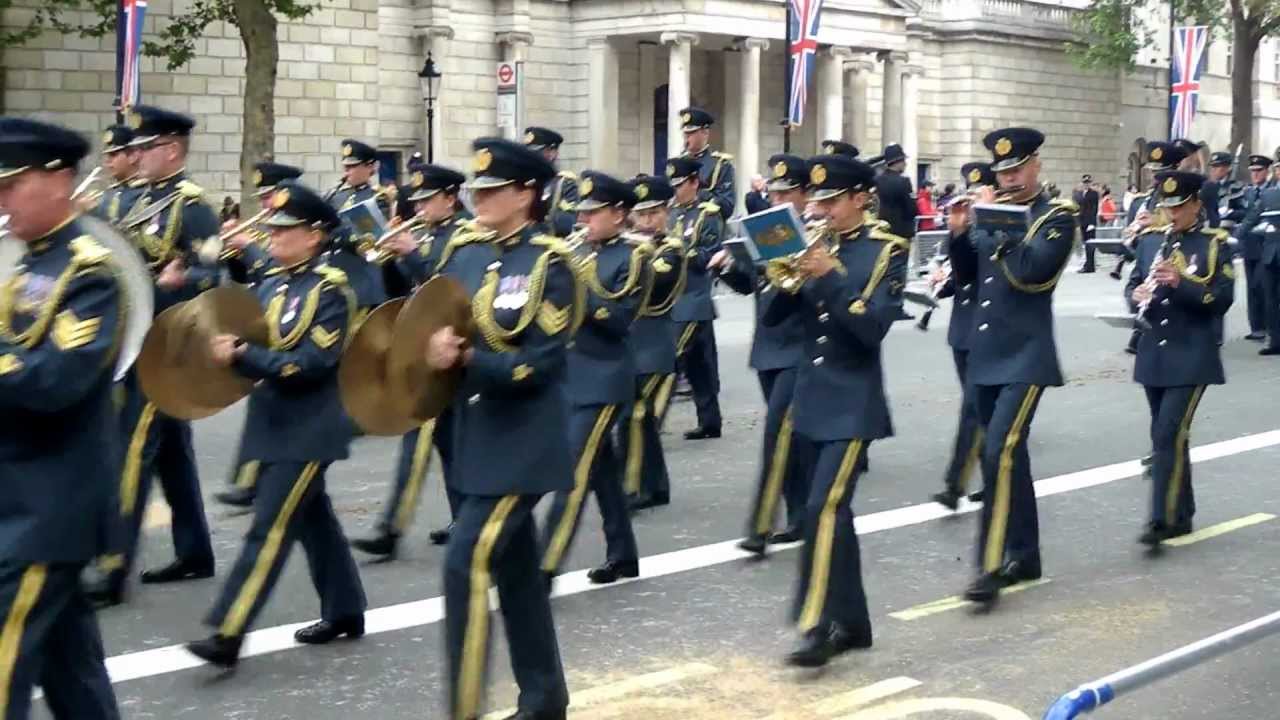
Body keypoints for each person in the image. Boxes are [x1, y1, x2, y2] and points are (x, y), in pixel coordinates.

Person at [425, 138, 580, 720]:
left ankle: (464, 707)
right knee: (516, 577)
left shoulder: (550, 263)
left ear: (526, 195)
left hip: (523, 440)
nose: (478, 199)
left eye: (492, 191)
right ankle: (544, 700)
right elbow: (432, 314)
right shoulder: (465, 252)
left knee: (463, 564)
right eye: (477, 190)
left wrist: (469, 361)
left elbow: (542, 362)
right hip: (472, 433)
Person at [185, 181, 368, 667]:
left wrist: (246, 356)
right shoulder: (273, 282)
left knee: (268, 528)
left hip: (311, 427)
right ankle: (346, 609)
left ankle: (229, 631)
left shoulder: (331, 290)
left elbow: (312, 361)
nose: (272, 234)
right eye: (272, 227)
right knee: (315, 522)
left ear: (313, 235)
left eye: (284, 229)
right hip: (274, 422)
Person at [760, 153, 907, 667]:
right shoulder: (817, 245)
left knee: (821, 506)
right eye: (817, 201)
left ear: (861, 198)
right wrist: (780, 269)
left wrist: (827, 276)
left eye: (831, 200)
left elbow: (870, 329)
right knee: (832, 513)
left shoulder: (887, 250)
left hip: (853, 401)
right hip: (812, 396)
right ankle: (855, 623)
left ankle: (816, 624)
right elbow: (775, 318)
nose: (821, 210)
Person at [0, 116, 123, 720]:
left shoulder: (91, 272)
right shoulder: (29, 264)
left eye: (10, 184)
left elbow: (56, 382)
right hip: (23, 495)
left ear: (57, 179)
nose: (0, 199)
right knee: (72, 672)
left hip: (47, 507)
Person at [86, 105, 218, 608]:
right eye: (132, 150)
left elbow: (214, 279)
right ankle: (194, 551)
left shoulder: (192, 205)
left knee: (131, 449)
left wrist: (181, 280)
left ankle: (113, 566)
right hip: (127, 339)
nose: (134, 157)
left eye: (143, 149)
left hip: (164, 345)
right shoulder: (123, 201)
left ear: (172, 150)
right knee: (171, 452)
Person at [947, 127, 1078, 608]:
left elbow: (1031, 274)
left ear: (1036, 165)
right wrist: (961, 232)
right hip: (986, 351)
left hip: (1026, 353)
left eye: (1017, 169)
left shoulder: (1057, 217)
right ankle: (1026, 554)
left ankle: (992, 562)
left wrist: (995, 224)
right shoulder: (991, 217)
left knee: (998, 451)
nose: (1009, 177)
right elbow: (967, 276)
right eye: (1002, 172)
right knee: (1006, 454)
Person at [350, 163, 473, 558]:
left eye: (427, 200)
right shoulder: (431, 233)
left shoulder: (465, 236)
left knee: (416, 437)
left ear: (450, 199)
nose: (419, 208)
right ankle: (466, 519)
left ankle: (391, 527)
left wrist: (414, 256)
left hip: (448, 348)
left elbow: (449, 291)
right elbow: (405, 290)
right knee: (451, 444)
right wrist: (391, 257)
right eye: (416, 200)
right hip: (423, 346)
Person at [539, 171, 645, 587]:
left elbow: (619, 320)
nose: (583, 222)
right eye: (581, 213)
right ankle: (623, 555)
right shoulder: (576, 250)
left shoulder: (633, 257)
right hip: (570, 374)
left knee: (572, 471)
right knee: (601, 474)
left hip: (604, 378)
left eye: (593, 213)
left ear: (619, 214)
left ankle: (544, 565)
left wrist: (577, 284)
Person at [1125, 171, 1233, 547]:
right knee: (1170, 434)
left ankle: (1161, 519)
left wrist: (1181, 282)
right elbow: (1132, 283)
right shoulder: (1151, 242)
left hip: (1192, 354)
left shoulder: (1215, 244)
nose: (1172, 214)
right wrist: (1136, 295)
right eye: (1167, 207)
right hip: (1154, 351)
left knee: (1167, 432)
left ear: (1196, 205)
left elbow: (1221, 300)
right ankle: (1182, 512)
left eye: (1180, 207)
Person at [715, 154, 812, 555]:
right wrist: (728, 266)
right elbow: (753, 285)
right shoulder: (769, 230)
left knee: (778, 433)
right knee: (790, 438)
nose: (779, 198)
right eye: (775, 192)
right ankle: (801, 513)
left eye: (788, 192)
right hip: (769, 345)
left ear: (805, 195)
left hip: (801, 346)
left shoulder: (816, 233)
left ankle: (761, 526)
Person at [214, 160, 306, 509]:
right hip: (271, 309)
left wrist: (248, 247)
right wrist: (235, 254)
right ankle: (252, 480)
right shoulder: (274, 226)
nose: (265, 204)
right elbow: (252, 277)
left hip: (297, 315)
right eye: (264, 196)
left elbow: (279, 269)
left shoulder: (299, 223)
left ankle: (259, 482)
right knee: (266, 398)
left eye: (269, 195)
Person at [618, 175, 685, 516]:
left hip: (656, 348)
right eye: (641, 214)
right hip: (629, 346)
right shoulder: (624, 247)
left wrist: (629, 246)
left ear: (666, 213)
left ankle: (632, 488)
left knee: (636, 419)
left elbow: (654, 280)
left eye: (654, 213)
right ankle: (657, 487)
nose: (646, 221)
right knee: (640, 423)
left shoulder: (671, 250)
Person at [931, 161, 995, 511]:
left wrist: (980, 221)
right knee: (980, 410)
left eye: (977, 194)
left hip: (987, 328)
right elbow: (964, 272)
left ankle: (955, 484)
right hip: (963, 328)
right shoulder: (964, 227)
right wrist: (943, 282)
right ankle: (992, 477)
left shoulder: (997, 225)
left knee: (975, 408)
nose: (968, 204)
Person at [664, 156, 724, 441]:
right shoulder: (671, 212)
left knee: (672, 360)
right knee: (699, 363)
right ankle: (710, 421)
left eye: (680, 185)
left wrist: (678, 250)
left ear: (694, 183)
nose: (675, 191)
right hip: (674, 299)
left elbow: (709, 255)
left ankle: (653, 418)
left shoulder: (707, 214)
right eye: (673, 185)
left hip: (694, 297)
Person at [325, 138, 389, 312]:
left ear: (370, 167)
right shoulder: (335, 195)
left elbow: (366, 237)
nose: (347, 171)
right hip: (334, 278)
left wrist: (331, 228)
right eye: (346, 167)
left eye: (353, 166)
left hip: (361, 281)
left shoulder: (378, 198)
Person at [1237, 155, 1274, 341]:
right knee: (1252, 288)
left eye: (1259, 171)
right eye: (1252, 171)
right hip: (1249, 246)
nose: (1255, 175)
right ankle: (1256, 327)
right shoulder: (1248, 192)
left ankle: (1268, 326)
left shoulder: (1273, 190)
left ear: (1267, 172)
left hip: (1266, 246)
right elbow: (1243, 214)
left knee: (1264, 287)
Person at [679, 107, 736, 220]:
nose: (687, 137)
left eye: (691, 133)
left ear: (705, 133)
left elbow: (727, 206)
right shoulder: (678, 164)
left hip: (706, 226)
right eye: (685, 133)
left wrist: (697, 194)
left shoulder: (720, 165)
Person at [523, 126, 578, 238]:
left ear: (552, 153)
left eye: (536, 153)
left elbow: (566, 224)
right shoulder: (522, 181)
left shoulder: (563, 183)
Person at [89, 125, 145, 224]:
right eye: (106, 156)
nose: (107, 162)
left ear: (133, 156)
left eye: (113, 155)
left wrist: (93, 212)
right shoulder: (112, 191)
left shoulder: (145, 192)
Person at [874, 143, 916, 240]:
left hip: (882, 230)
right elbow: (911, 209)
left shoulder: (877, 180)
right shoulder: (904, 181)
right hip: (901, 232)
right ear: (898, 162)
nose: (905, 164)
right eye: (904, 160)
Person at [1074, 174, 1100, 272]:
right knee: (1086, 243)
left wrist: (1092, 223)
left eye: (1088, 183)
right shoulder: (1080, 194)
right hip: (1082, 222)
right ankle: (1088, 264)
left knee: (1090, 244)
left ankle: (1090, 266)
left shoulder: (1094, 194)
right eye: (1085, 183)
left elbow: (1094, 209)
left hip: (1090, 222)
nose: (1086, 185)